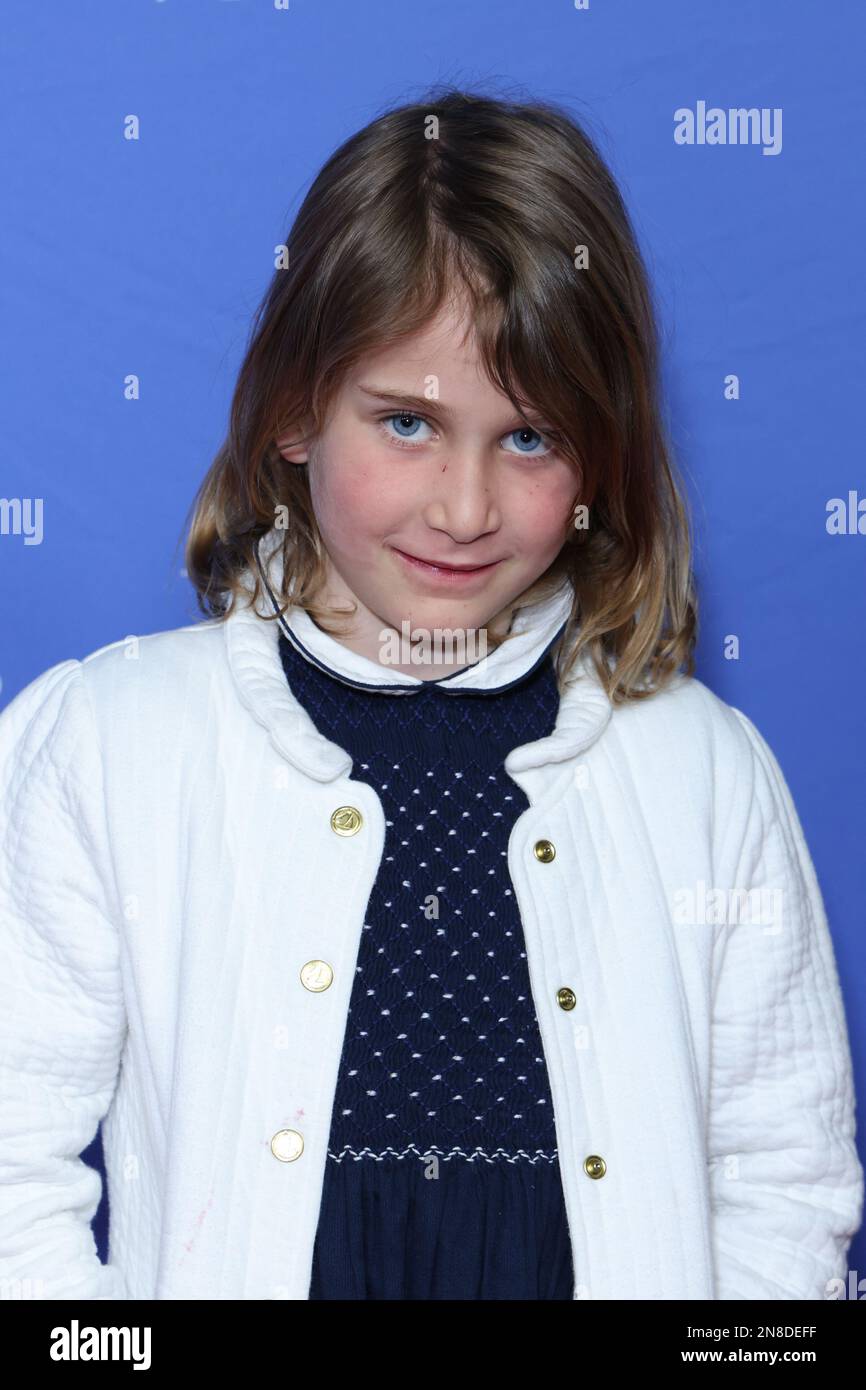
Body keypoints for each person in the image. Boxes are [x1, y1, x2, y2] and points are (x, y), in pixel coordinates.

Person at [0, 87, 862, 1302]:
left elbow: (783, 1183)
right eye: (406, 422)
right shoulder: (106, 743)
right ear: (297, 409)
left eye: (528, 440)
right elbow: (10, 1178)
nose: (462, 511)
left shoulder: (704, 772)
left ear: (601, 454)